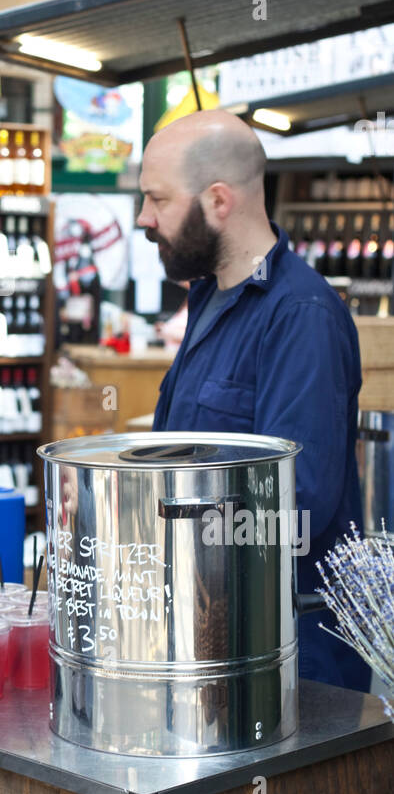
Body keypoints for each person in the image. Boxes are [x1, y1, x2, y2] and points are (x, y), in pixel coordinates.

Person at [137, 108, 368, 693]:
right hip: (211, 636)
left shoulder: (302, 317)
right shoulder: (210, 297)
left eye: (157, 200)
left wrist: (156, 516)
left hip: (289, 660)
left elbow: (299, 511)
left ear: (218, 201)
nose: (144, 219)